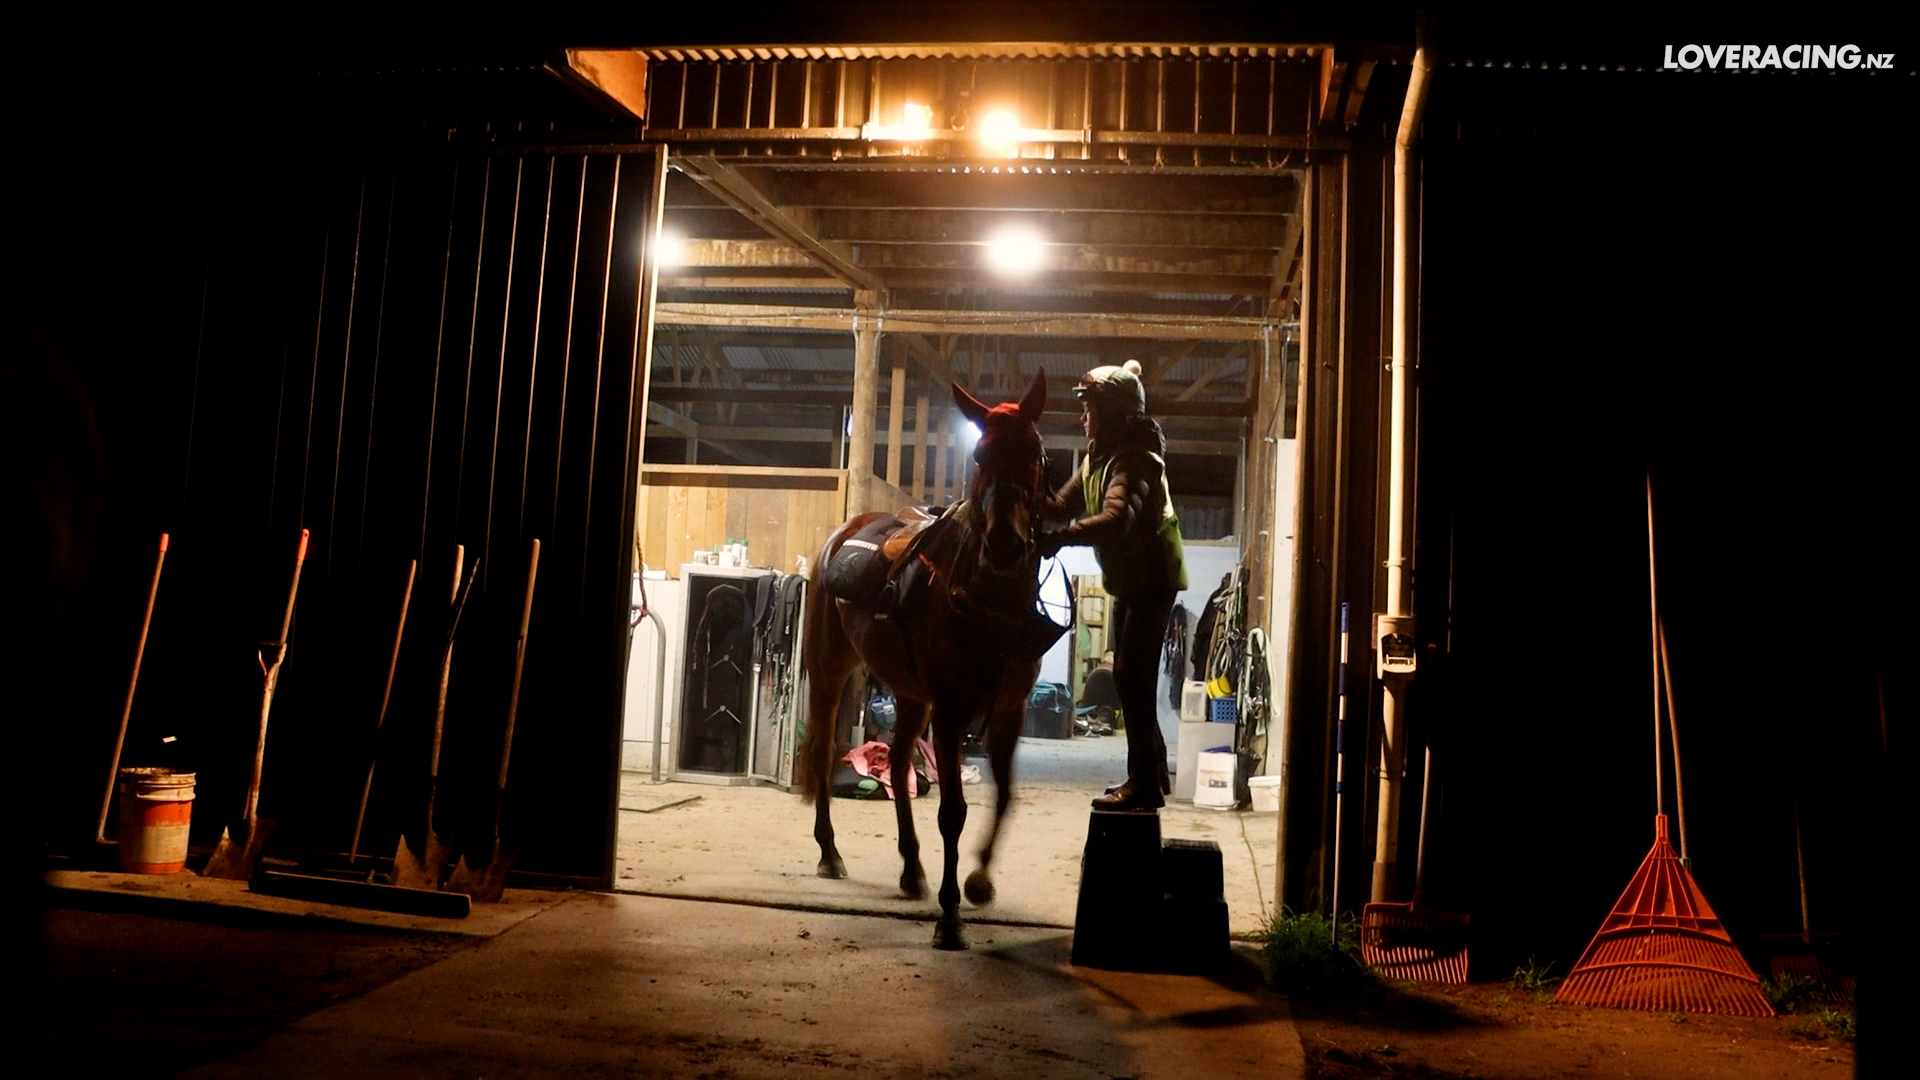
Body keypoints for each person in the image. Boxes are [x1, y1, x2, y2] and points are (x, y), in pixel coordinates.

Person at [1039, 360, 1188, 811]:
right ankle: (1154, 771)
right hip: (1132, 580)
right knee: (1132, 679)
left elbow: (1117, 518)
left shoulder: (1135, 456)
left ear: (1113, 410)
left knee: (1130, 676)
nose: (1084, 417)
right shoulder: (1098, 458)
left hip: (1152, 578)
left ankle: (1143, 783)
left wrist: (1060, 539)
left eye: (1091, 407)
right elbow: (1061, 505)